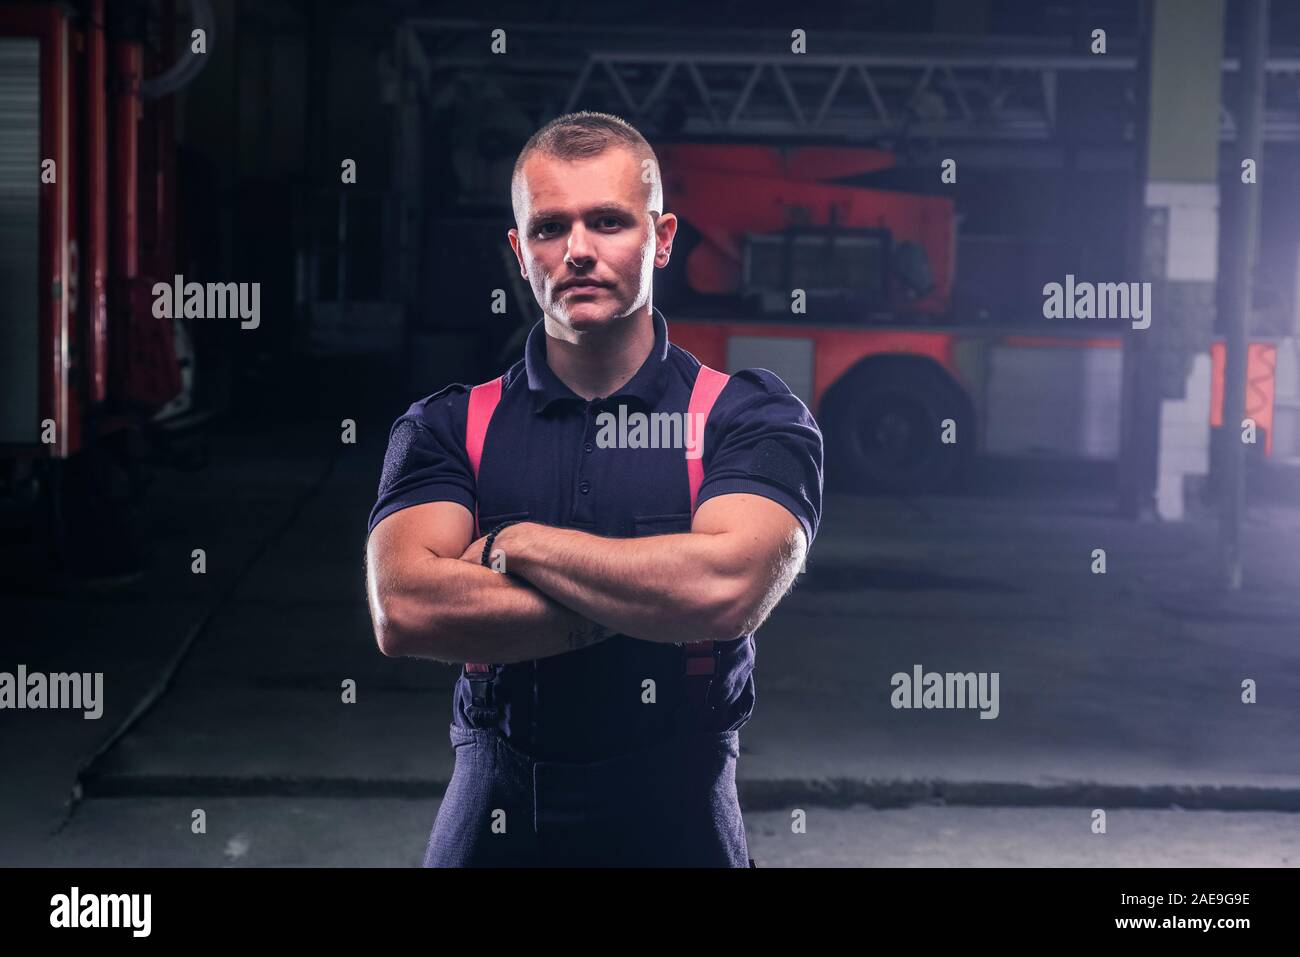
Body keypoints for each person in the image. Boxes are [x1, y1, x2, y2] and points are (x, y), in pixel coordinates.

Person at [364, 111, 822, 867]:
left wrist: (519, 544)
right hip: (496, 803)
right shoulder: (447, 425)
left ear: (662, 237)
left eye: (608, 221)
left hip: (680, 809)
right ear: (518, 250)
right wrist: (647, 595)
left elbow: (725, 589)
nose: (577, 250)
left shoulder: (750, 416)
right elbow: (404, 605)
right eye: (549, 228)